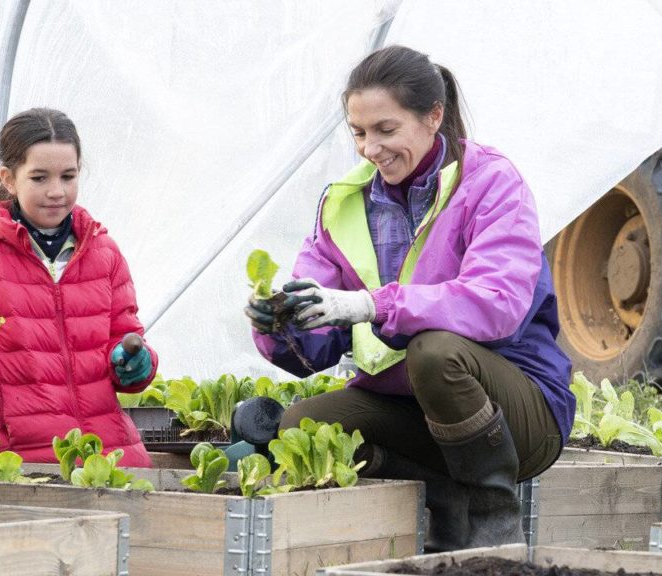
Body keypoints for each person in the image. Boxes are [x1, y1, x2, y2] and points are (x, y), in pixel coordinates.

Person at [242, 45, 573, 550]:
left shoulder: (490, 183)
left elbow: (496, 304)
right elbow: (316, 348)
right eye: (359, 133)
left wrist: (373, 305)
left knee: (435, 352)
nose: (371, 148)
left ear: (433, 116)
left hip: (517, 415)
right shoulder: (344, 203)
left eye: (386, 130)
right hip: (415, 410)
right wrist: (281, 324)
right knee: (302, 423)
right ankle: (446, 495)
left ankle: (492, 515)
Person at [0, 108, 157, 467]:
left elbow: (126, 337)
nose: (57, 192)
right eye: (40, 178)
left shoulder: (103, 252)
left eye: (68, 176)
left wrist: (136, 364)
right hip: (20, 465)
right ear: (9, 179)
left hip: (108, 459)